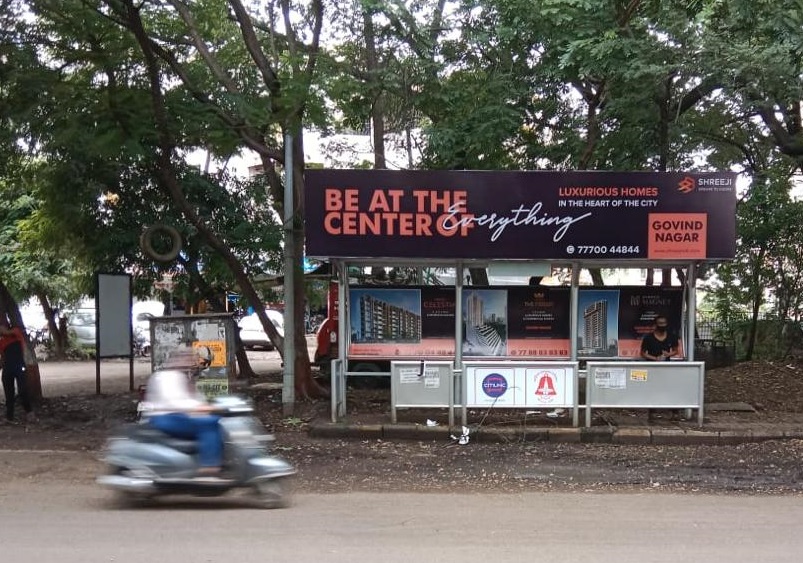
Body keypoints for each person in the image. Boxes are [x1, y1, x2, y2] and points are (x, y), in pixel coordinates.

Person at [143, 346, 225, 481]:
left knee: (215, 421)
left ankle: (210, 458)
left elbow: (194, 398)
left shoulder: (180, 377)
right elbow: (173, 401)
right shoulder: (165, 377)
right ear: (176, 359)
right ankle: (209, 468)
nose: (189, 362)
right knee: (209, 423)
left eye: (190, 358)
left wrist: (206, 405)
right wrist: (199, 407)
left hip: (178, 415)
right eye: (186, 358)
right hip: (165, 417)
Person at [0, 320, 35, 424]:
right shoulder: (1, 341)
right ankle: (9, 417)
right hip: (7, 368)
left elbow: (8, 332)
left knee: (23, 391)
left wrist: (4, 331)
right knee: (9, 394)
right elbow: (3, 357)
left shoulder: (16, 332)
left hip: (19, 366)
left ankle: (29, 413)